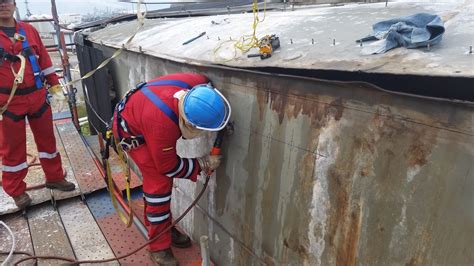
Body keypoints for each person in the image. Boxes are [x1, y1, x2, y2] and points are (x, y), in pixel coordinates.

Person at [112, 73, 231, 265]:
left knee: (160, 184)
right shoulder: (162, 125)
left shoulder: (197, 84)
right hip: (131, 133)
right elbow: (168, 166)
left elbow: (204, 82)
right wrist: (203, 163)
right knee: (159, 185)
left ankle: (163, 227)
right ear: (190, 123)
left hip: (140, 110)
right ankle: (158, 248)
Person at [0, 0, 74, 209]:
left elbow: (44, 62)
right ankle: (16, 191)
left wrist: (56, 88)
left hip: (37, 97)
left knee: (48, 142)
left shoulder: (29, 31)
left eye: (6, 1)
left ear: (14, 5)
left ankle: (55, 177)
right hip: (7, 103)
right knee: (12, 149)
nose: (2, 5)